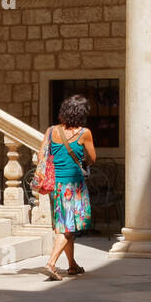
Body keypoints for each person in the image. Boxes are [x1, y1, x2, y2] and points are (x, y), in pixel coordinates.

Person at [40, 94, 95, 281]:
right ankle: (51, 263)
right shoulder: (84, 133)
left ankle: (72, 265)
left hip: (56, 185)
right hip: (74, 186)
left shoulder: (51, 131)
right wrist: (83, 161)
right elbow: (93, 158)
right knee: (67, 228)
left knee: (65, 224)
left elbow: (41, 156)